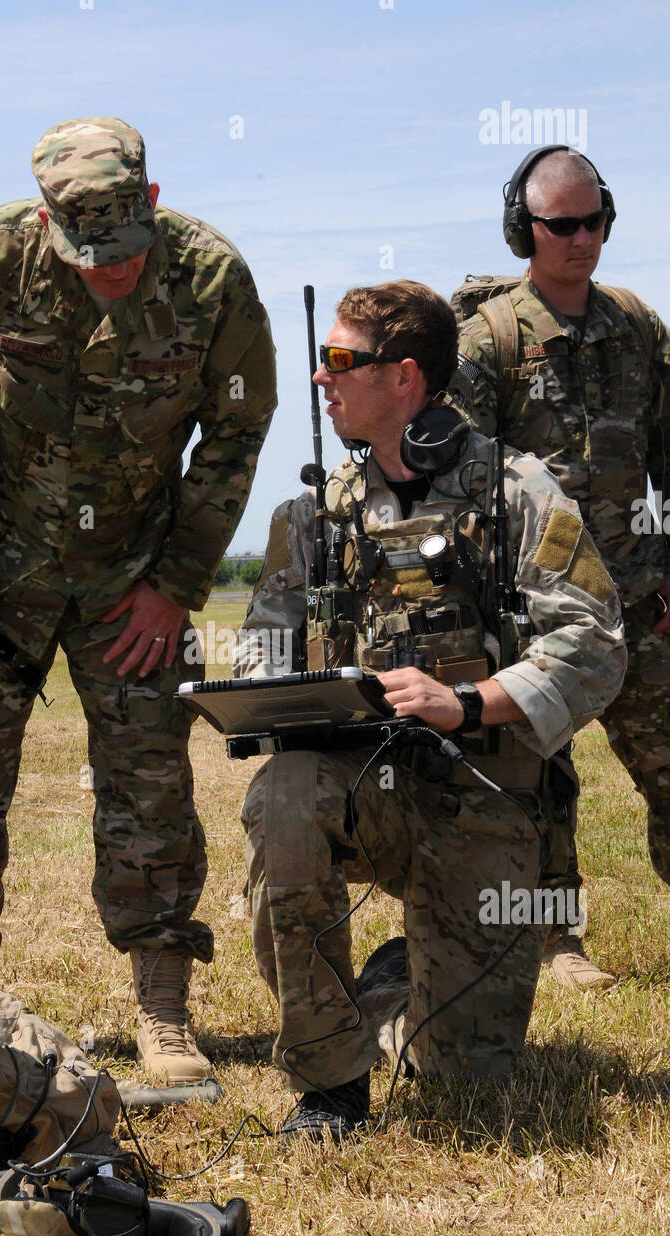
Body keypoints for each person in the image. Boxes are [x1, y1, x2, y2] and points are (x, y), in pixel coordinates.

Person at [0, 117, 277, 1082]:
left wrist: (175, 586)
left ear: (152, 203)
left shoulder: (212, 277)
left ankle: (161, 1008)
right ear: (45, 221)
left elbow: (236, 432)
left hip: (133, 577)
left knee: (149, 783)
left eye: (124, 250)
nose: (108, 269)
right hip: (6, 565)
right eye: (85, 253)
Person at [235, 280, 625, 1141]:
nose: (319, 378)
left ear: (404, 378)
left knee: (463, 1081)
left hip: (487, 802)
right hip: (364, 789)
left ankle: (392, 985)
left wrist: (467, 702)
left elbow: (596, 648)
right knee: (283, 795)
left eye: (340, 360)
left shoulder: (518, 493)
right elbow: (259, 642)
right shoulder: (316, 513)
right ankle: (331, 1080)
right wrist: (282, 691)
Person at [453, 145, 670, 991]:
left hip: (640, 595)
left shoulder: (637, 326)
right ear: (524, 229)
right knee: (538, 776)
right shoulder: (487, 338)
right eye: (562, 225)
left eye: (595, 222)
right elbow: (458, 480)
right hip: (536, 606)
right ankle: (555, 941)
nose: (582, 239)